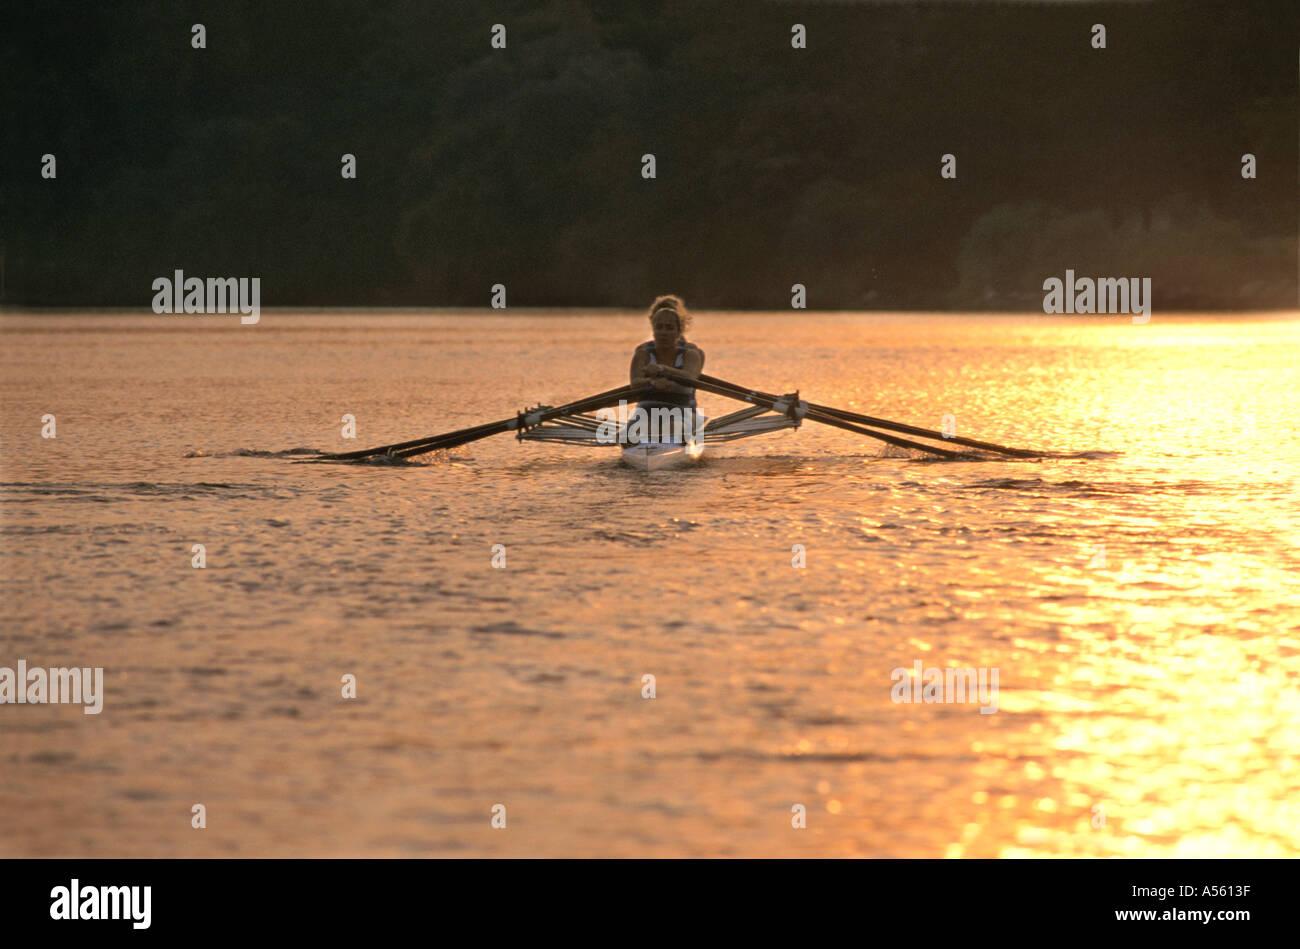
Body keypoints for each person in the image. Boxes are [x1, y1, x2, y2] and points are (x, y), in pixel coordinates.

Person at [627, 295, 705, 443]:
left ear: (679, 330)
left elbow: (690, 378)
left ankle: (662, 446)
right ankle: (647, 448)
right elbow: (634, 384)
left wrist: (663, 369)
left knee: (673, 428)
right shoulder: (643, 353)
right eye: (659, 326)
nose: (663, 332)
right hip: (646, 410)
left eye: (669, 328)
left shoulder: (692, 354)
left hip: (682, 408)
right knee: (636, 431)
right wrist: (652, 382)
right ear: (653, 328)